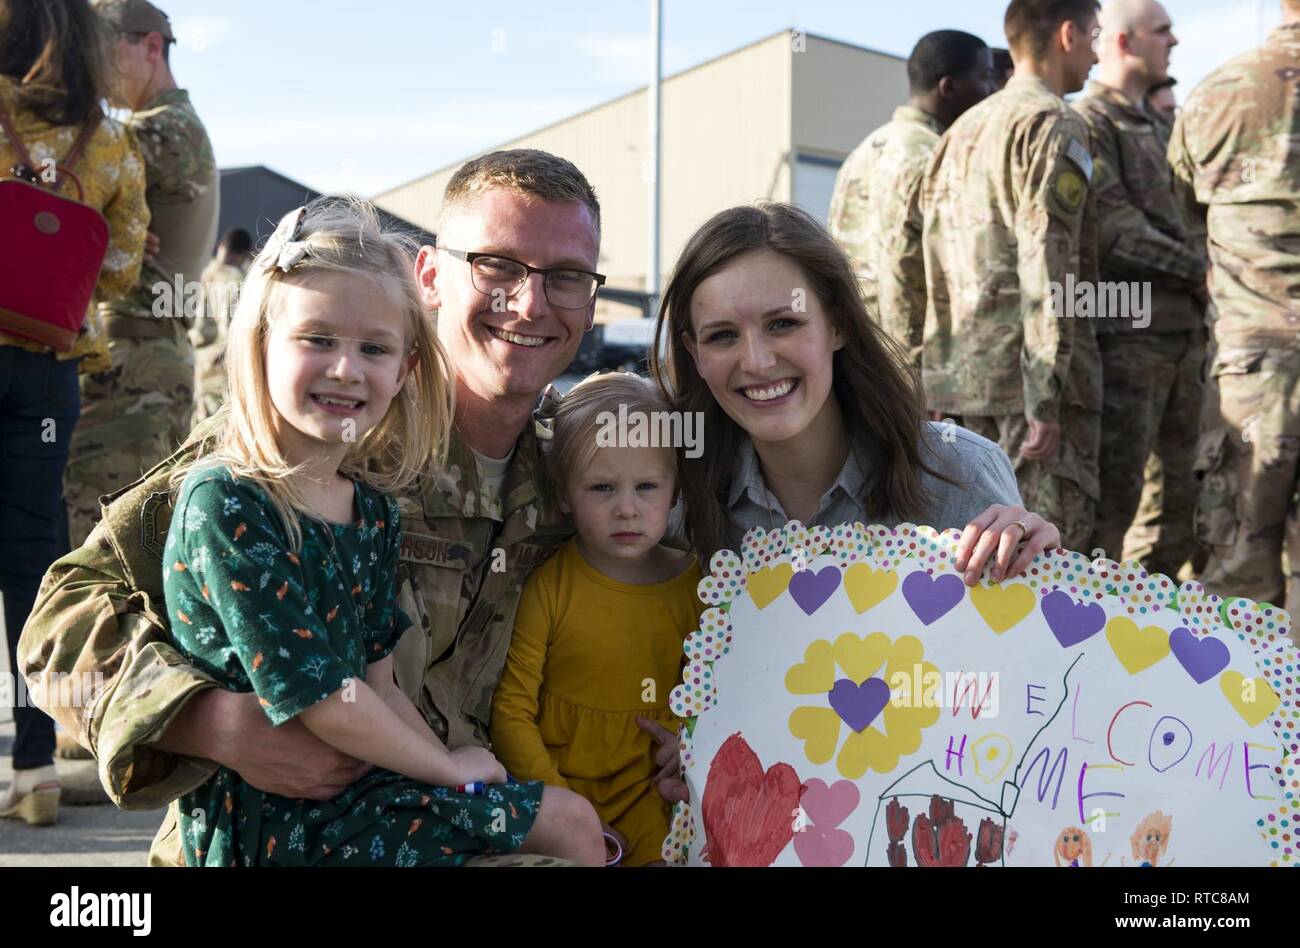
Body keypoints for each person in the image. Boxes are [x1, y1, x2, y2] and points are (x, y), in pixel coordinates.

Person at [19, 148, 611, 867]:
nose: (529, 303)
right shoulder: (305, 438)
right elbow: (58, 627)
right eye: (498, 265)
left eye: (566, 276)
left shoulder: (588, 477)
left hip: (447, 825)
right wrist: (210, 722)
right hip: (278, 837)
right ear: (429, 276)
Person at [161, 198, 599, 866]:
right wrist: (203, 720)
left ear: (404, 368)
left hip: (374, 788)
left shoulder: (375, 508)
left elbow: (379, 681)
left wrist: (451, 766)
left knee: (572, 823)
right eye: (317, 339)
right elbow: (74, 604)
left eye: (372, 348)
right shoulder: (228, 493)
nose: (345, 369)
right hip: (279, 817)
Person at [646, 201, 1065, 803]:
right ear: (693, 353)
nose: (757, 360)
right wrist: (681, 739)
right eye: (722, 336)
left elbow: (1020, 697)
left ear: (837, 323)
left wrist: (1044, 587)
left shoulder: (958, 475)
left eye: (783, 324)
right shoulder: (669, 504)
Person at [0, 0, 147, 827]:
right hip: (49, 375)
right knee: (32, 564)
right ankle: (33, 770)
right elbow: (120, 268)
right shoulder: (111, 140)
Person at [491, 373, 704, 867]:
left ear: (675, 491)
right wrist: (566, 810)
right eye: (602, 487)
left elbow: (715, 696)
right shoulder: (550, 586)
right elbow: (512, 712)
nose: (627, 509)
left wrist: (692, 742)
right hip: (561, 790)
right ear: (565, 495)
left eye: (647, 486)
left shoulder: (698, 588)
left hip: (658, 797)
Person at [919, 0, 1103, 552]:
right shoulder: (1055, 122)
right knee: (1042, 568)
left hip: (957, 390)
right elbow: (1048, 263)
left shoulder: (957, 132)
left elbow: (920, 260)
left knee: (964, 562)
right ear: (1067, 35)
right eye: (1094, 35)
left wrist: (927, 378)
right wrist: (1045, 396)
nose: (1096, 52)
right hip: (1026, 393)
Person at [63, 0, 218, 548]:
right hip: (138, 366)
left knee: (96, 554)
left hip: (132, 371)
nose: (95, 69)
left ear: (150, 47)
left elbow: (61, 183)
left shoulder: (160, 133)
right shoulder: (150, 132)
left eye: (106, 52)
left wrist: (99, 219)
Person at [1172, 0, 1300, 623]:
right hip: (1250, 360)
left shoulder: (1216, 92)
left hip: (1250, 368)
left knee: (1239, 578)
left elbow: (1185, 210)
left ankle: (1243, 720)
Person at [1075, 0, 1206, 579]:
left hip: (1185, 337)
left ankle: (1152, 640)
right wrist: (1203, 269)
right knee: (1111, 509)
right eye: (1162, 32)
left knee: (1182, 503)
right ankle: (1084, 641)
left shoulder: (1158, 124)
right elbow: (1113, 232)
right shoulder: (1089, 121)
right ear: (1126, 42)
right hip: (1129, 344)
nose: (1173, 41)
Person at [828, 30, 996, 362]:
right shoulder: (937, 158)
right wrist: (913, 367)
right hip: (909, 358)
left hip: (859, 349)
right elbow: (902, 268)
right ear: (948, 88)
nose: (992, 92)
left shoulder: (863, 152)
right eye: (985, 78)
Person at [190, 226, 253, 427]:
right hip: (221, 364)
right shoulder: (236, 281)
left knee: (196, 426)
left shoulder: (203, 270)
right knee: (219, 428)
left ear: (221, 246)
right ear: (244, 255)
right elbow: (237, 329)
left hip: (198, 359)